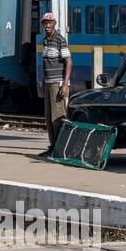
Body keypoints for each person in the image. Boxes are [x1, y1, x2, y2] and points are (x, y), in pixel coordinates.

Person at [40, 11, 72, 150]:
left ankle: (59, 147)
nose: (47, 25)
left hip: (57, 82)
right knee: (48, 118)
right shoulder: (46, 41)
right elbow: (46, 63)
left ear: (54, 24)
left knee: (57, 117)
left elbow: (69, 62)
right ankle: (52, 146)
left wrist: (65, 84)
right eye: (45, 23)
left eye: (49, 23)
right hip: (48, 82)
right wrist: (42, 81)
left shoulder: (60, 39)